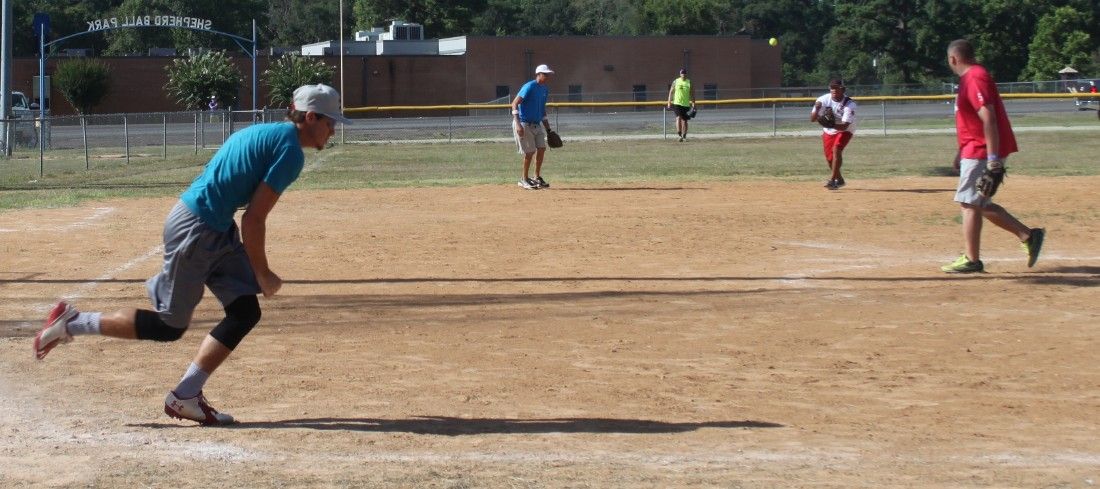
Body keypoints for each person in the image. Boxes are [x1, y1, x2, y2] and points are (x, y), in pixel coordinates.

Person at [33, 84, 351, 425]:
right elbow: (253, 219)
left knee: (244, 311)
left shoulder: (268, 132)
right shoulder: (290, 151)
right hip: (198, 229)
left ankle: (186, 394)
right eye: (330, 122)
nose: (333, 130)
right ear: (310, 117)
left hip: (212, 225)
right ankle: (73, 323)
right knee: (169, 326)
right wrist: (263, 272)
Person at [941, 39, 1044, 274]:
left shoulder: (975, 77)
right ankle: (1028, 236)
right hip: (974, 148)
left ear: (953, 59)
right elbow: (972, 122)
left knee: (969, 203)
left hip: (982, 150)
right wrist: (960, 151)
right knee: (981, 205)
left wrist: (993, 159)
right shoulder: (970, 78)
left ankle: (972, 259)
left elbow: (989, 118)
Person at [511, 64, 556, 190]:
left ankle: (536, 177)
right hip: (524, 123)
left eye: (548, 74)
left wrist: (548, 129)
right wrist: (518, 124)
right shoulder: (529, 86)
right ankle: (524, 179)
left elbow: (542, 110)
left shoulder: (544, 89)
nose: (547, 76)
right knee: (530, 152)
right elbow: (514, 103)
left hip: (537, 124)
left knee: (542, 148)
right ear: (538, 74)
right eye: (545, 74)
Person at [810, 79, 857, 189]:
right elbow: (812, 119)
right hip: (828, 131)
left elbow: (844, 126)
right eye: (832, 88)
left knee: (836, 149)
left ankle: (832, 181)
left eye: (836, 88)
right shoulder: (822, 100)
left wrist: (830, 124)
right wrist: (817, 109)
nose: (834, 90)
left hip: (846, 130)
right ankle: (839, 180)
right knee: (830, 158)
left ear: (843, 89)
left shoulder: (849, 104)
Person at [666, 68, 696, 142]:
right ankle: (679, 135)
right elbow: (671, 92)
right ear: (680, 74)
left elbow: (692, 94)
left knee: (685, 121)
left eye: (684, 73)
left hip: (686, 104)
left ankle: (684, 136)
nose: (683, 74)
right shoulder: (676, 81)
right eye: (682, 73)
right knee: (678, 117)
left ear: (686, 74)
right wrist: (669, 102)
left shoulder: (689, 82)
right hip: (677, 103)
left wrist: (693, 104)